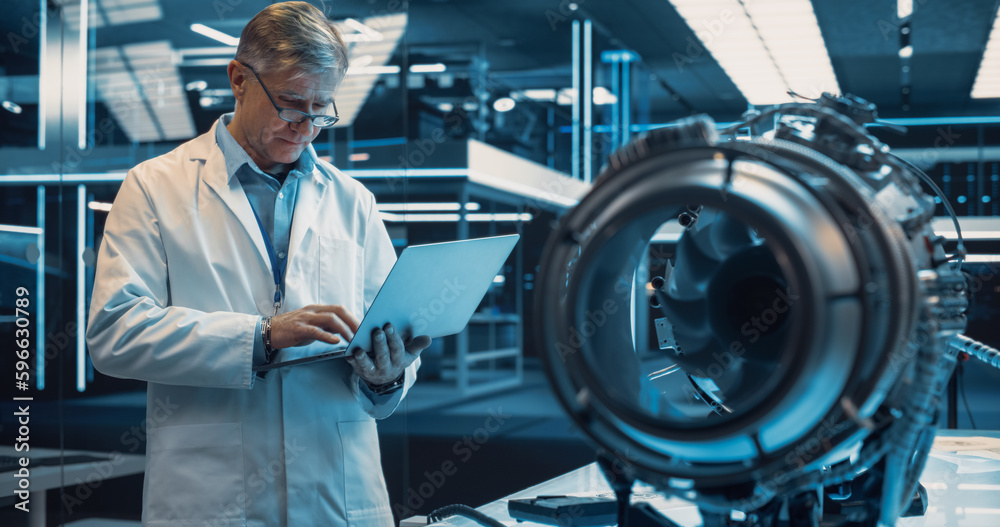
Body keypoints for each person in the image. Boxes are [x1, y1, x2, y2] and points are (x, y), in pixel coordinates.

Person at [86, 3, 428, 525]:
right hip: (214, 493)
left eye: (321, 109)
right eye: (291, 104)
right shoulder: (155, 186)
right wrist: (260, 338)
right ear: (239, 79)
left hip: (338, 493)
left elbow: (389, 324)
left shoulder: (352, 200)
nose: (306, 127)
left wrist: (386, 374)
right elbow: (115, 333)